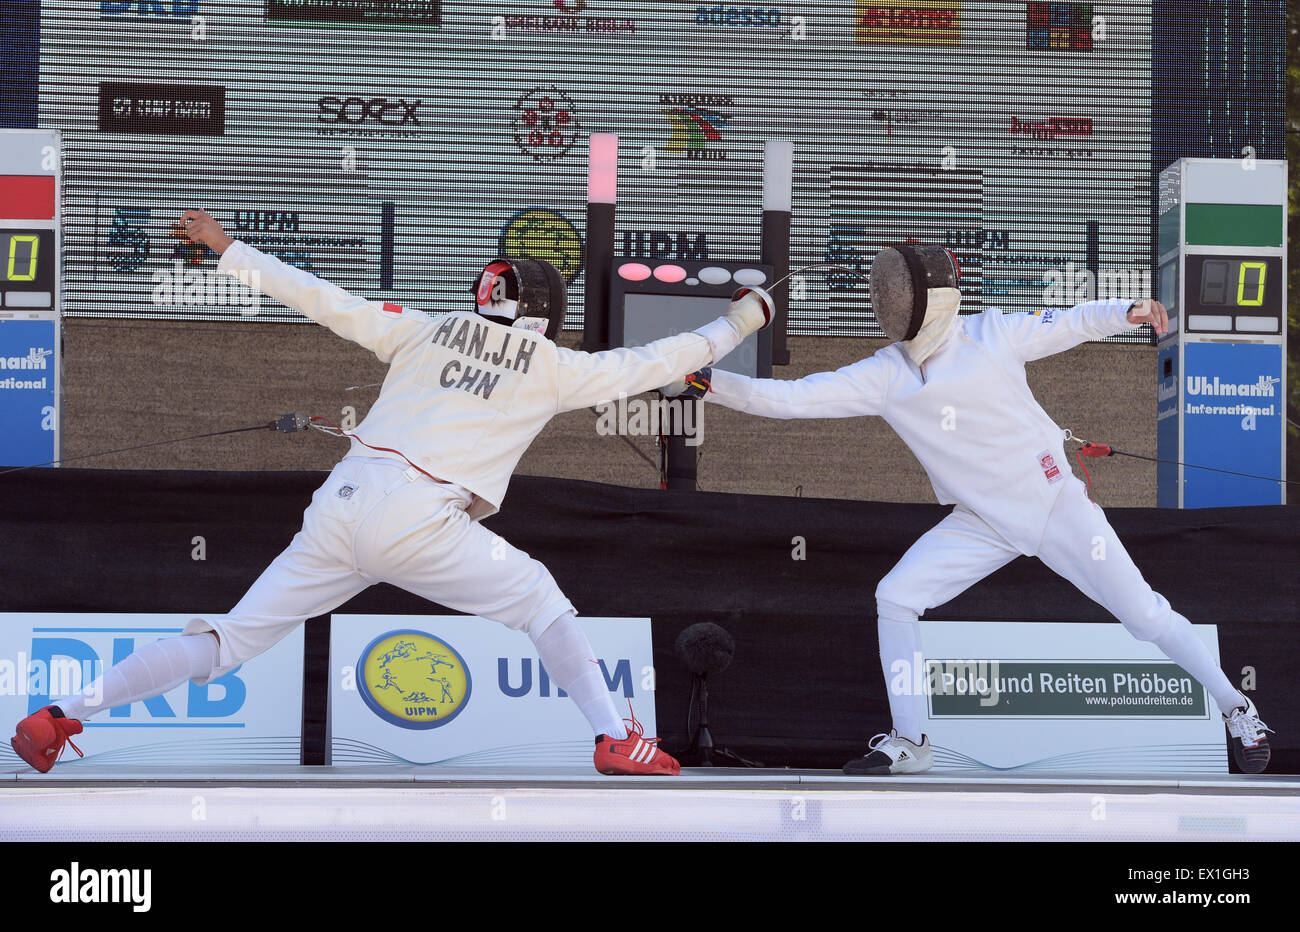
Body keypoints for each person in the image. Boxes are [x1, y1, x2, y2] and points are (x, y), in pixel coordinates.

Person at [10, 208, 773, 777]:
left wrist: (229, 247)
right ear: (548, 316)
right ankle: (614, 736)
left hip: (342, 502)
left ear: (488, 296)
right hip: (421, 516)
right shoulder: (556, 368)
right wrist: (746, 313)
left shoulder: (427, 329)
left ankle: (61, 716)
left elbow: (322, 298)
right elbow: (664, 356)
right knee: (540, 598)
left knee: (226, 643)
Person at [665, 243, 1272, 775]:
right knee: (897, 596)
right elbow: (791, 400)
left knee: (1146, 615)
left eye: (896, 295)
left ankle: (1237, 708)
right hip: (982, 520)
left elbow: (1068, 323)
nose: (888, 306)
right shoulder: (886, 375)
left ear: (927, 301)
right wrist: (711, 384)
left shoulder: (992, 334)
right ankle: (912, 740)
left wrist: (1124, 311)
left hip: (1056, 503)